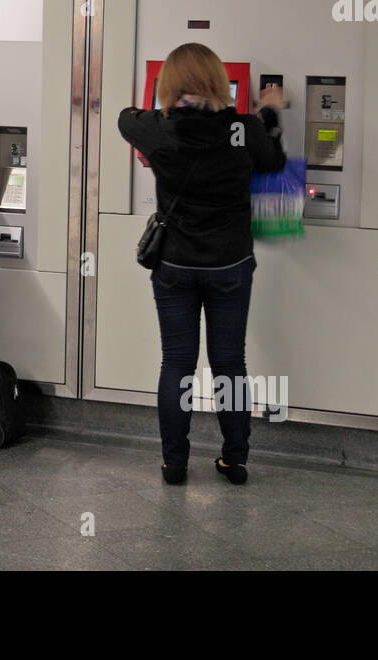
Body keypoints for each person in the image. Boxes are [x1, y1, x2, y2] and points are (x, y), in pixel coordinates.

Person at [118, 42, 286, 486]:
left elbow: (123, 118)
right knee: (230, 363)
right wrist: (269, 113)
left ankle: (174, 464)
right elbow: (273, 161)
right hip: (230, 264)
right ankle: (235, 460)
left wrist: (163, 113)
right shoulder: (241, 128)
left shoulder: (157, 128)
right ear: (217, 82)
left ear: (168, 85)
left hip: (174, 264)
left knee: (176, 363)